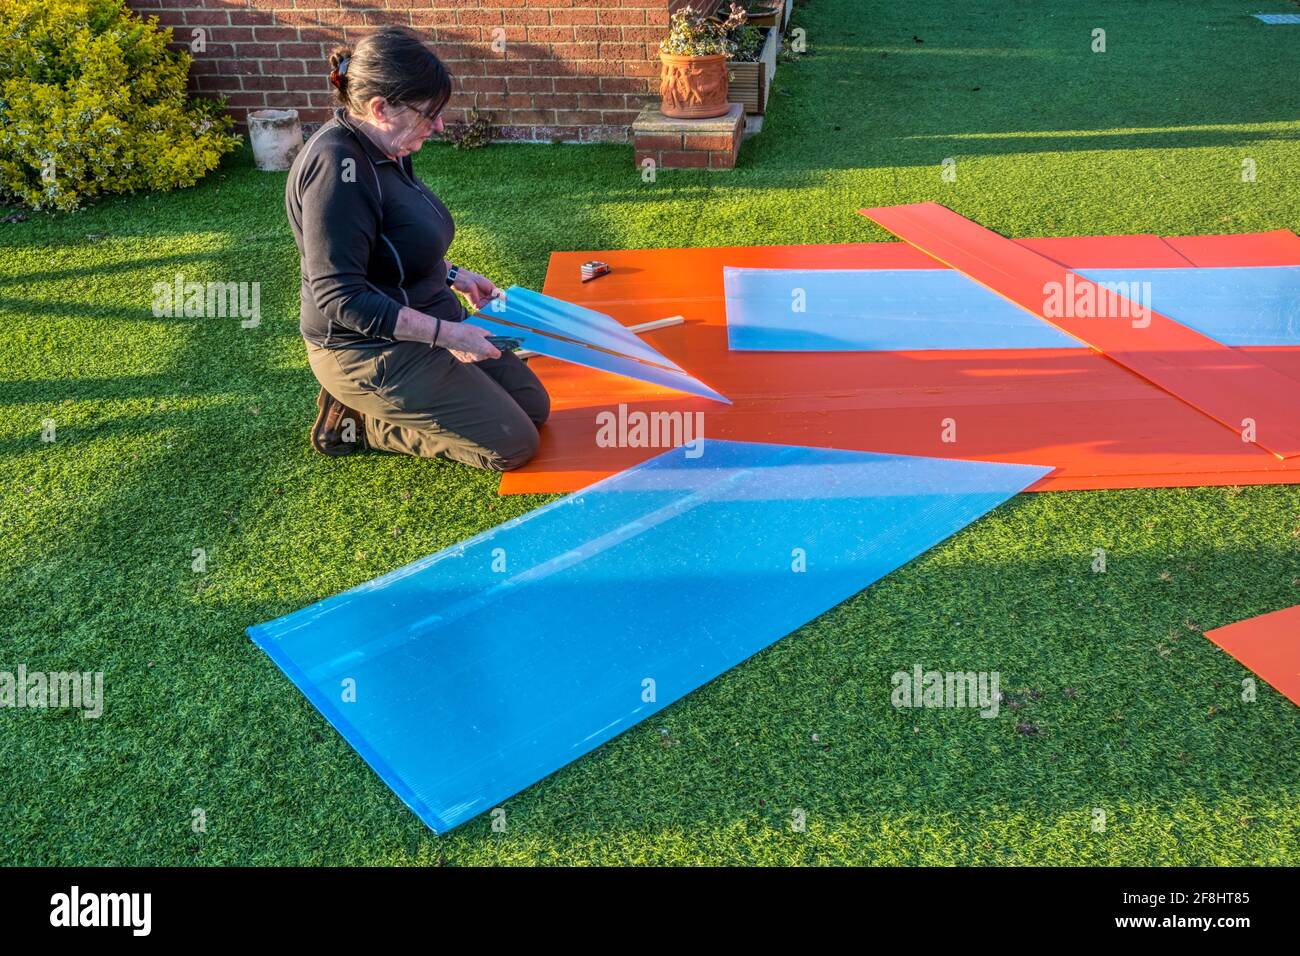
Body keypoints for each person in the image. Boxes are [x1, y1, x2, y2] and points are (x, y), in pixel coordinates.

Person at [286, 26, 549, 471]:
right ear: (380, 107)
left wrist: (453, 275)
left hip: (428, 314)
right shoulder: (338, 170)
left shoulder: (390, 145)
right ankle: (360, 423)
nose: (440, 125)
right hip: (367, 348)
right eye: (430, 113)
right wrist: (449, 335)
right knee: (515, 444)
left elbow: (397, 238)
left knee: (534, 407)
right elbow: (340, 297)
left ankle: (411, 393)